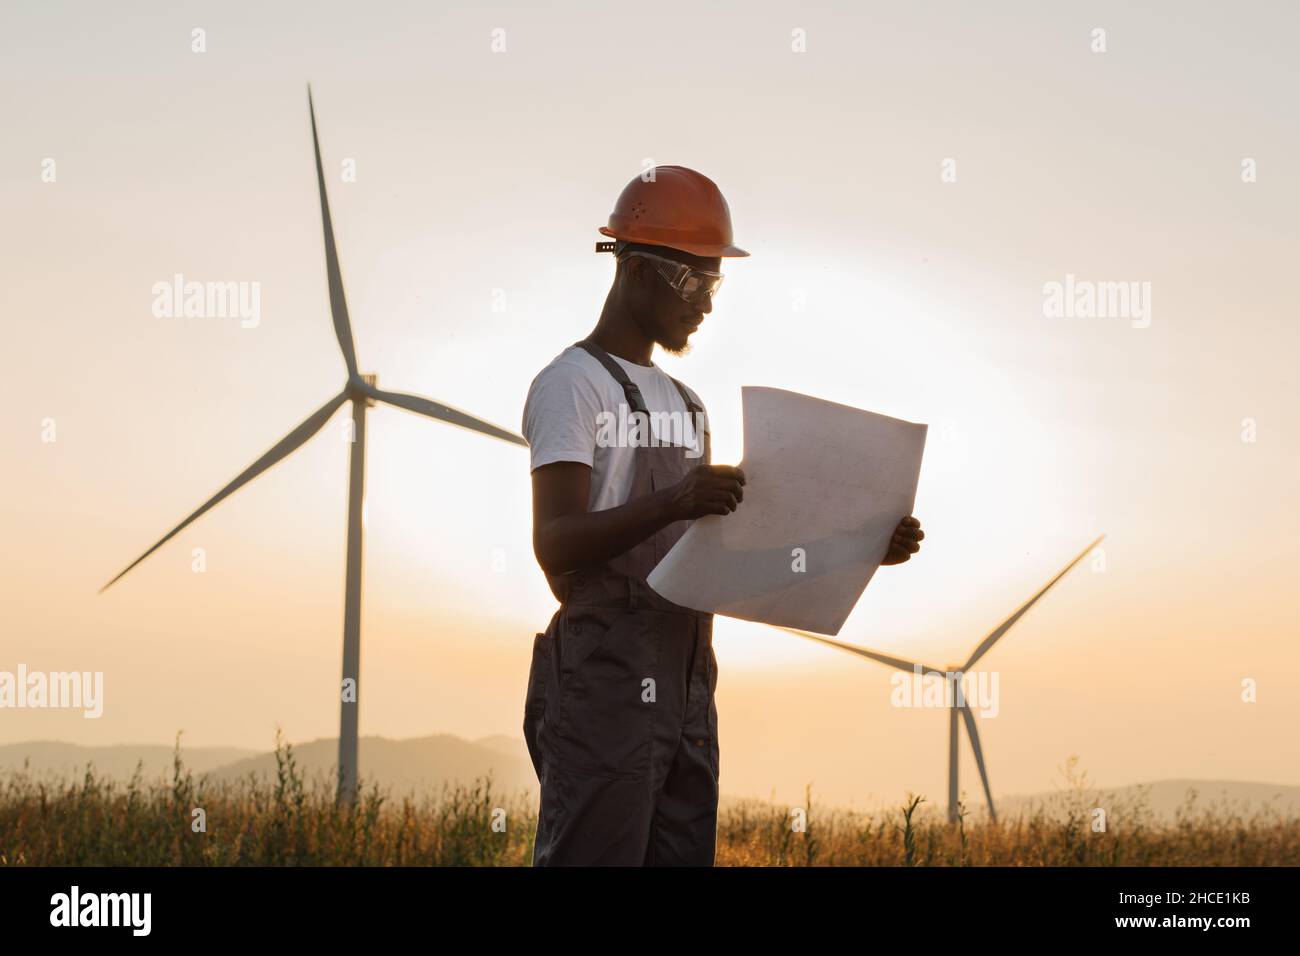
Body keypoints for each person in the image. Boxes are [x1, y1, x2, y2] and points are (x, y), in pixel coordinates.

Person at [521, 166, 924, 866]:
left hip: (688, 684)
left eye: (716, 284)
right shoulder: (570, 385)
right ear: (637, 269)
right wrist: (672, 502)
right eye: (694, 282)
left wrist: (861, 547)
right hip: (606, 680)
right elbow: (554, 543)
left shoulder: (688, 406)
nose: (707, 304)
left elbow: (722, 569)